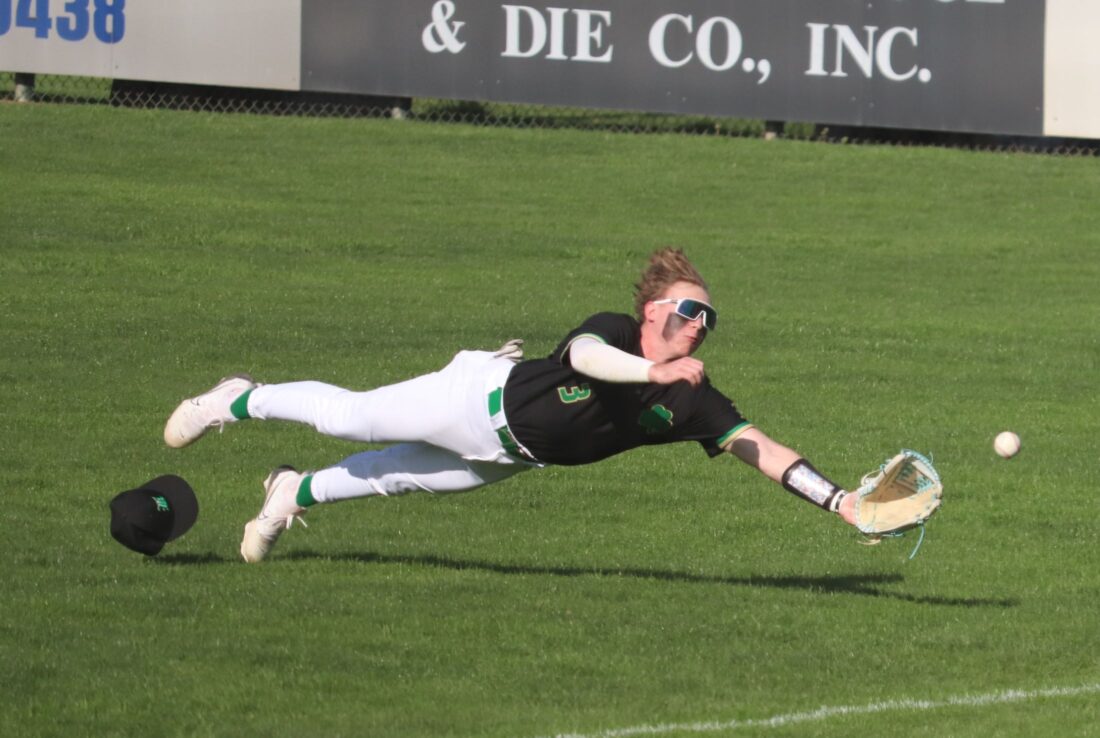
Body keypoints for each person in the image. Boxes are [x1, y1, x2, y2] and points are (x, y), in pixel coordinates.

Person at [165, 248, 858, 563]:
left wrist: (842, 504)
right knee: (349, 417)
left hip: (512, 455)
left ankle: (291, 493)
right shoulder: (618, 332)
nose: (700, 326)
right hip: (472, 397)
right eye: (688, 312)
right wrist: (654, 368)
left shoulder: (695, 401)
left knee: (394, 477)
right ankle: (236, 400)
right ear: (653, 311)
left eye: (709, 320)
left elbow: (760, 449)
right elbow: (585, 359)